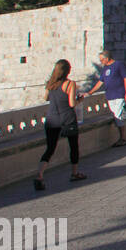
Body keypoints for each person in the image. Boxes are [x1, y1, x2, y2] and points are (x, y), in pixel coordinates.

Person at [34, 59, 87, 190]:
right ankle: (74, 173)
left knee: (50, 149)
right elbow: (71, 104)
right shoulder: (70, 84)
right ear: (67, 71)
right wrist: (79, 99)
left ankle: (40, 175)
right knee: (73, 146)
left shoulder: (50, 84)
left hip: (51, 120)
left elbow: (46, 98)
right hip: (67, 119)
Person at [86, 49, 126, 147]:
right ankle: (120, 137)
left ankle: (123, 138)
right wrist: (90, 92)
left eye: (102, 60)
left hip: (119, 95)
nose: (101, 62)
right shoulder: (105, 68)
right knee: (115, 116)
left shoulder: (119, 65)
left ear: (107, 58)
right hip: (110, 96)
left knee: (118, 116)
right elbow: (100, 82)